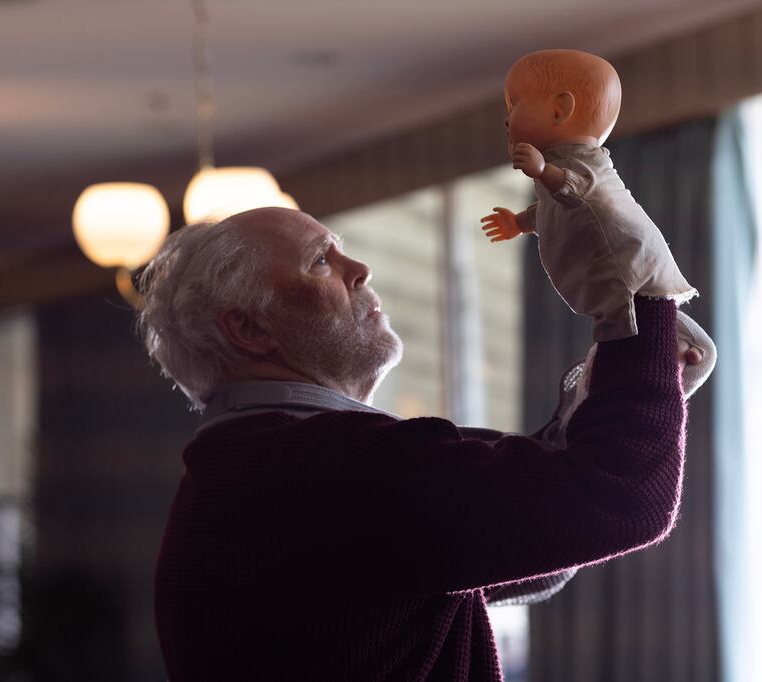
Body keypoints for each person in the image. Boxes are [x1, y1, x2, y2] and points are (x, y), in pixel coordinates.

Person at [140, 206, 710, 681]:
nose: (359, 268)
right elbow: (619, 496)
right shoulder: (329, 467)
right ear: (250, 329)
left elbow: (533, 544)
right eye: (320, 261)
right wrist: (639, 290)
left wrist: (623, 386)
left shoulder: (252, 465)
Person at [480, 49, 705, 359]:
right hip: (627, 279)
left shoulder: (586, 166)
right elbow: (557, 207)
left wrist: (544, 170)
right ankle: (686, 351)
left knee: (624, 349)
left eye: (514, 105)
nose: (507, 121)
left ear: (559, 110)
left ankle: (680, 354)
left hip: (631, 272)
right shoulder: (560, 171)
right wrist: (519, 223)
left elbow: (581, 192)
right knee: (644, 339)